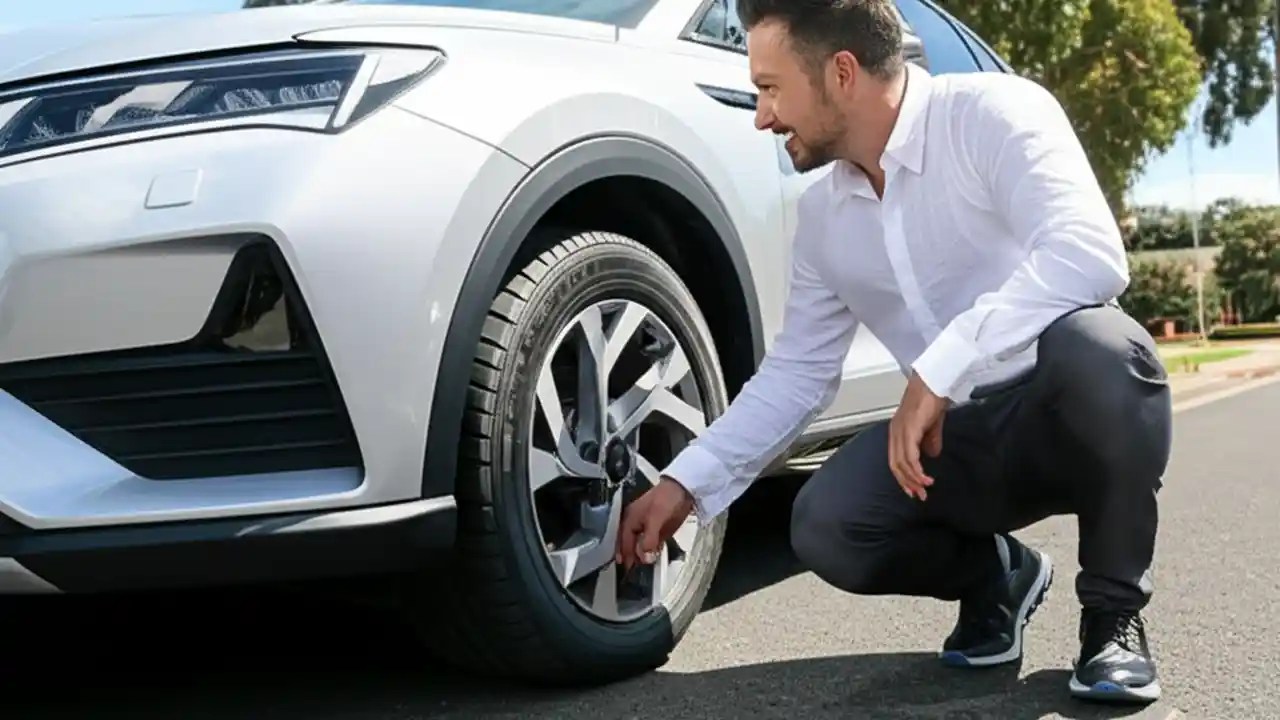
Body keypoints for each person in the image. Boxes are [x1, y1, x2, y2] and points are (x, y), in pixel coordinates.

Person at [616, 0, 1172, 705]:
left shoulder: (993, 114)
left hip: (1065, 415)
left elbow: (1087, 255)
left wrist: (940, 366)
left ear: (841, 72)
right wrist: (682, 484)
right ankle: (998, 579)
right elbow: (796, 375)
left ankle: (1112, 619)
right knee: (826, 523)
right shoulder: (823, 219)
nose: (762, 116)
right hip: (957, 451)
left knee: (1105, 350)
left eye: (770, 88)